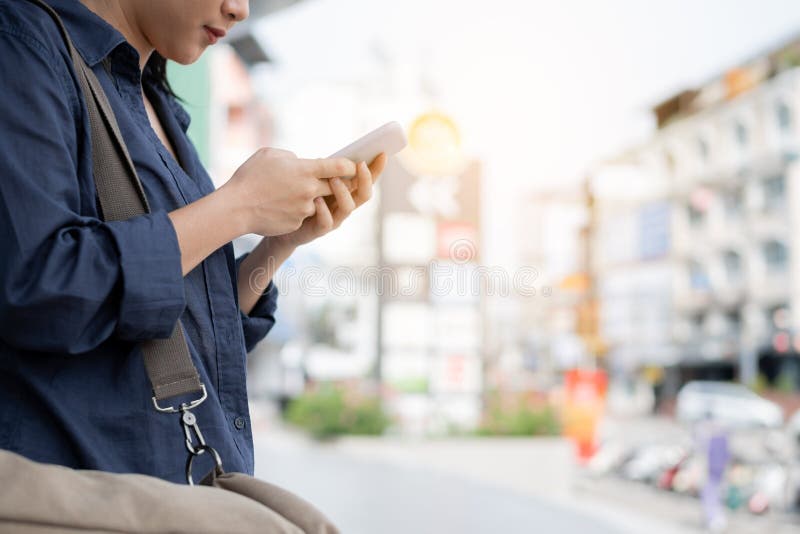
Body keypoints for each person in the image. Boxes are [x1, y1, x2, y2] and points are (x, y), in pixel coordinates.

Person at [0, 0, 386, 483]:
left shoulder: (153, 98)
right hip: (87, 497)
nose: (239, 9)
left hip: (170, 489)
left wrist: (278, 246)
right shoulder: (21, 45)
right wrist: (236, 207)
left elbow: (196, 334)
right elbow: (40, 286)